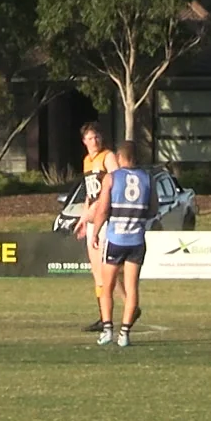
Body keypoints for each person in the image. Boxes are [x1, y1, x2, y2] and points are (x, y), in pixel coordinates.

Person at [85, 142, 154, 348]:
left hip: (116, 239)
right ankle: (125, 334)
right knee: (132, 289)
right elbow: (153, 209)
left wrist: (95, 232)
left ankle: (107, 330)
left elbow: (103, 209)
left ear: (120, 157)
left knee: (108, 286)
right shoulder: (148, 178)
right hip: (137, 241)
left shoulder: (112, 177)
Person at [75, 122, 123, 332]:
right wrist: (84, 218)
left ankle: (113, 313)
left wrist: (95, 211)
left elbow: (117, 182)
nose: (94, 141)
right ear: (84, 141)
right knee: (98, 272)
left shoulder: (108, 157)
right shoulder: (87, 161)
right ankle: (107, 314)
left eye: (97, 137)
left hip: (106, 218)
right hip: (93, 218)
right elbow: (90, 192)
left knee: (107, 270)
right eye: (90, 138)